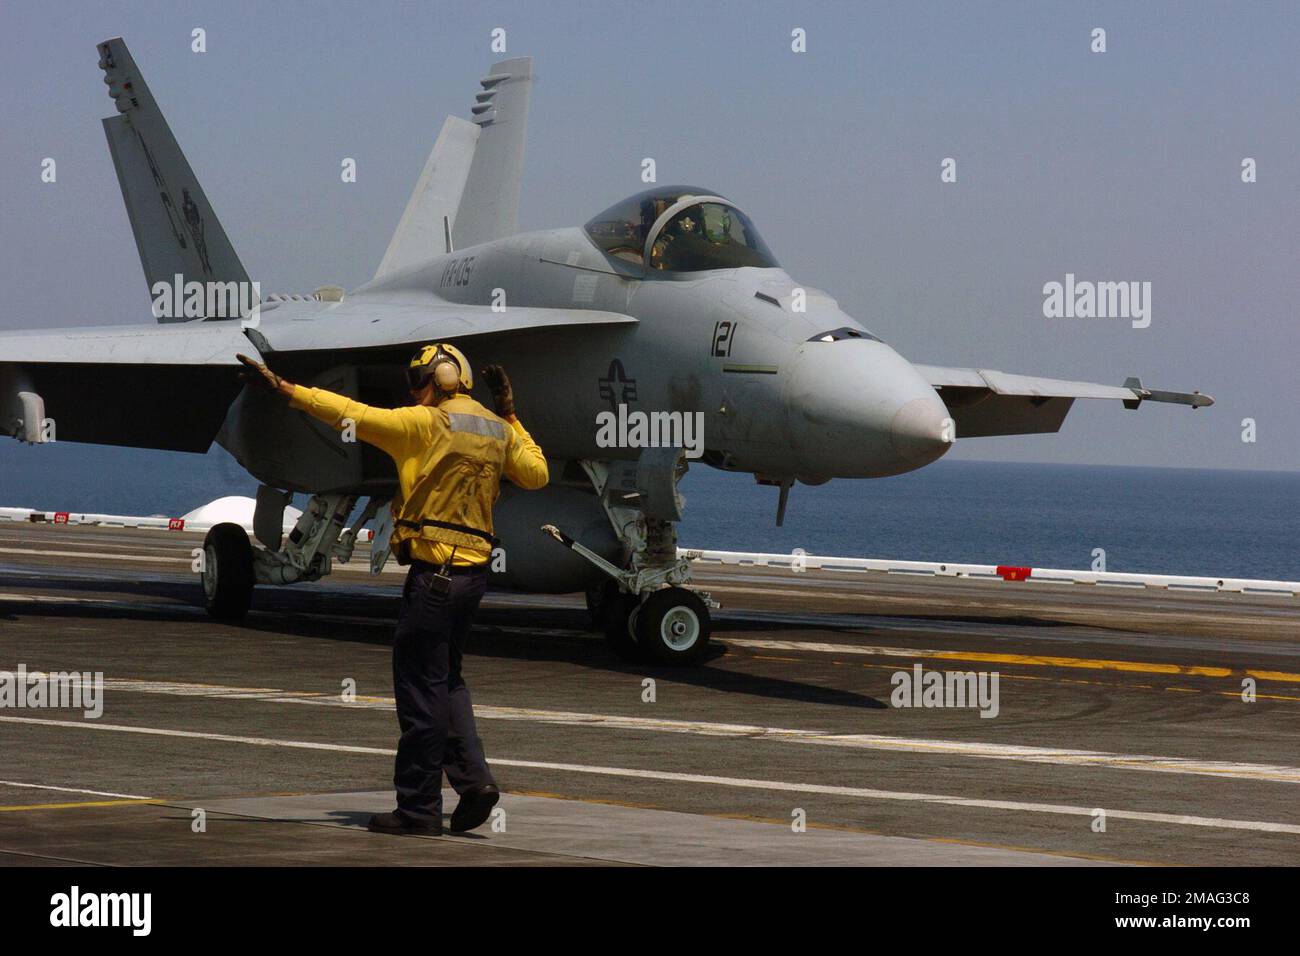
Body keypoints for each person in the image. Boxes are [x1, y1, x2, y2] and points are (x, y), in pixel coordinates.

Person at [236, 344, 548, 835]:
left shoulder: (423, 425)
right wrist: (511, 414)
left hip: (433, 580)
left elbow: (349, 412)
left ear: (434, 380)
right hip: (473, 579)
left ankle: (418, 809)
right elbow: (537, 473)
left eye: (416, 379)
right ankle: (473, 782)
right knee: (448, 681)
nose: (413, 389)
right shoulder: (496, 428)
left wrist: (285, 389)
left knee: (420, 692)